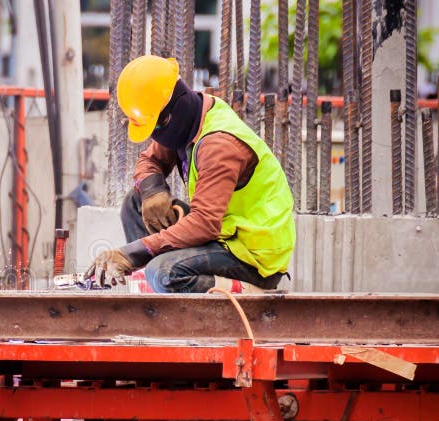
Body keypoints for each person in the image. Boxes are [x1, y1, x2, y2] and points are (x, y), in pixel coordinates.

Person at [86, 55, 295, 293]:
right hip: (224, 234)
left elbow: (204, 224)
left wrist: (132, 253)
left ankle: (249, 291)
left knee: (163, 273)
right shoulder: (188, 119)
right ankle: (153, 294)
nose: (156, 136)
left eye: (156, 126)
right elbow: (149, 160)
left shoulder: (219, 144)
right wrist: (153, 190)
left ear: (174, 108)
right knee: (135, 203)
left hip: (252, 255)